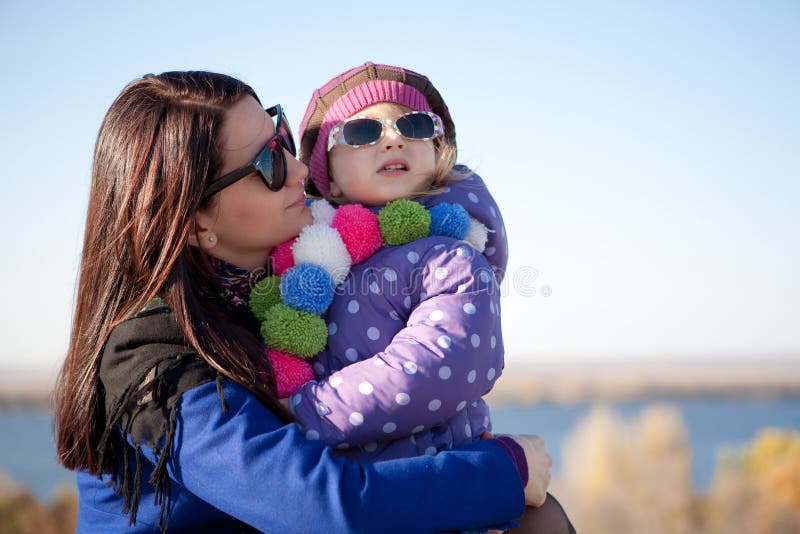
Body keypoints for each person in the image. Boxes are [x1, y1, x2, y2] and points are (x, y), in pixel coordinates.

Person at [53, 70, 553, 533]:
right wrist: (505, 471)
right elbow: (326, 508)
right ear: (194, 222)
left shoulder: (285, 295)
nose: (298, 171)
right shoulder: (155, 358)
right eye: (268, 164)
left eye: (283, 141)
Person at [286, 62, 574, 533]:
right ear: (330, 181)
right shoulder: (311, 265)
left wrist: (303, 414)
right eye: (361, 131)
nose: (393, 139)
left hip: (442, 491)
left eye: (414, 126)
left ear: (437, 155)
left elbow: (435, 367)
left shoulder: (451, 259)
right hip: (352, 495)